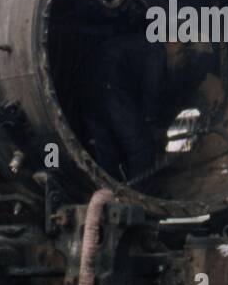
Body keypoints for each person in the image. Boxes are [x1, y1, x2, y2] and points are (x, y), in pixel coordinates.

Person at [81, 33, 220, 183]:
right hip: (111, 87)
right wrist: (150, 126)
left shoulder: (140, 44)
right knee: (142, 149)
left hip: (87, 84)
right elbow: (150, 93)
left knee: (106, 147)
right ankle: (136, 199)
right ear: (175, 45)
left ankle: (109, 192)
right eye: (182, 56)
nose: (181, 62)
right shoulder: (156, 52)